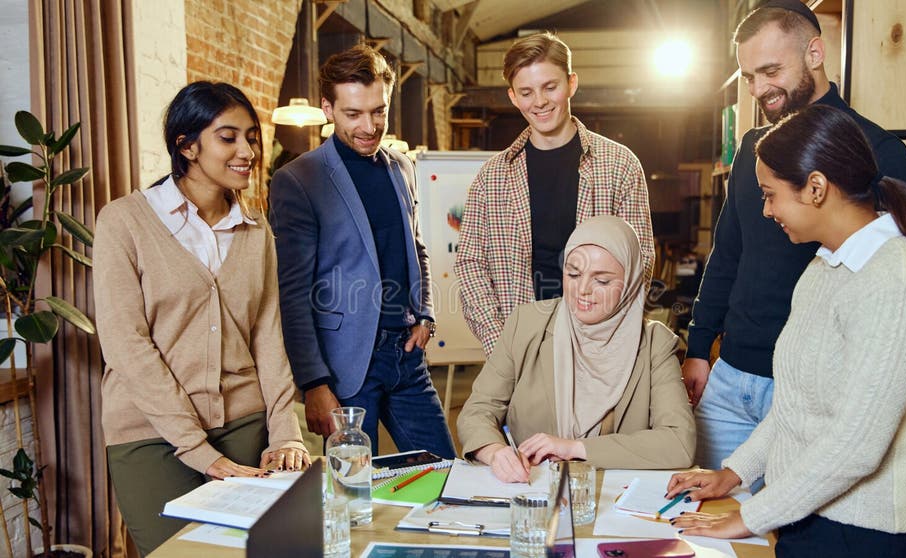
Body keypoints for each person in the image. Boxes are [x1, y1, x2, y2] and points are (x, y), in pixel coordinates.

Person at [667, 105, 906, 557]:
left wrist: (749, 517)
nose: (766, 210)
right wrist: (733, 474)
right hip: (810, 516)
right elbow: (794, 406)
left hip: (865, 536)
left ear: (816, 188)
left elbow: (855, 446)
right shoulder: (823, 268)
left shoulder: (898, 283)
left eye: (770, 195)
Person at [682, 0, 906, 471]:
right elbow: (727, 253)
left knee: (788, 515)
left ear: (815, 53)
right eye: (749, 77)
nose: (759, 90)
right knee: (709, 510)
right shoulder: (752, 148)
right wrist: (698, 348)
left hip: (812, 386)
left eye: (771, 71)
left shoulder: (878, 151)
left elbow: (896, 282)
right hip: (729, 377)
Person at [93, 82, 310, 556]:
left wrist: (284, 432)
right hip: (150, 433)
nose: (247, 152)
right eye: (228, 137)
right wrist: (197, 449)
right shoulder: (124, 222)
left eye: (251, 137)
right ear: (187, 146)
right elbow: (126, 344)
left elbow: (267, 336)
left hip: (245, 423)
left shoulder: (255, 231)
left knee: (269, 549)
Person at [269, 45, 455, 458]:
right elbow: (293, 294)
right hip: (346, 367)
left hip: (407, 355)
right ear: (328, 109)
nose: (370, 127)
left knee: (444, 472)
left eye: (378, 111)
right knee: (353, 487)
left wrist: (425, 314)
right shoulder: (298, 179)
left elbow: (416, 247)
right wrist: (314, 383)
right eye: (353, 114)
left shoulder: (402, 167)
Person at [455, 31, 654, 356]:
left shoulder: (620, 165)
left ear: (571, 84)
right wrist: (501, 345)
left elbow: (640, 260)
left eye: (550, 87)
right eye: (527, 92)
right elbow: (470, 263)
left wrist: (605, 340)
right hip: (519, 347)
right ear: (513, 97)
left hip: (599, 347)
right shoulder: (491, 178)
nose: (540, 102)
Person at [457, 216, 695, 482]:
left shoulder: (655, 344)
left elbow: (679, 442)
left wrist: (574, 449)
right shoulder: (525, 325)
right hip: (533, 490)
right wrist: (494, 452)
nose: (582, 290)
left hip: (615, 496)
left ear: (630, 282)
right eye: (573, 274)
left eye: (601, 281)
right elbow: (477, 412)